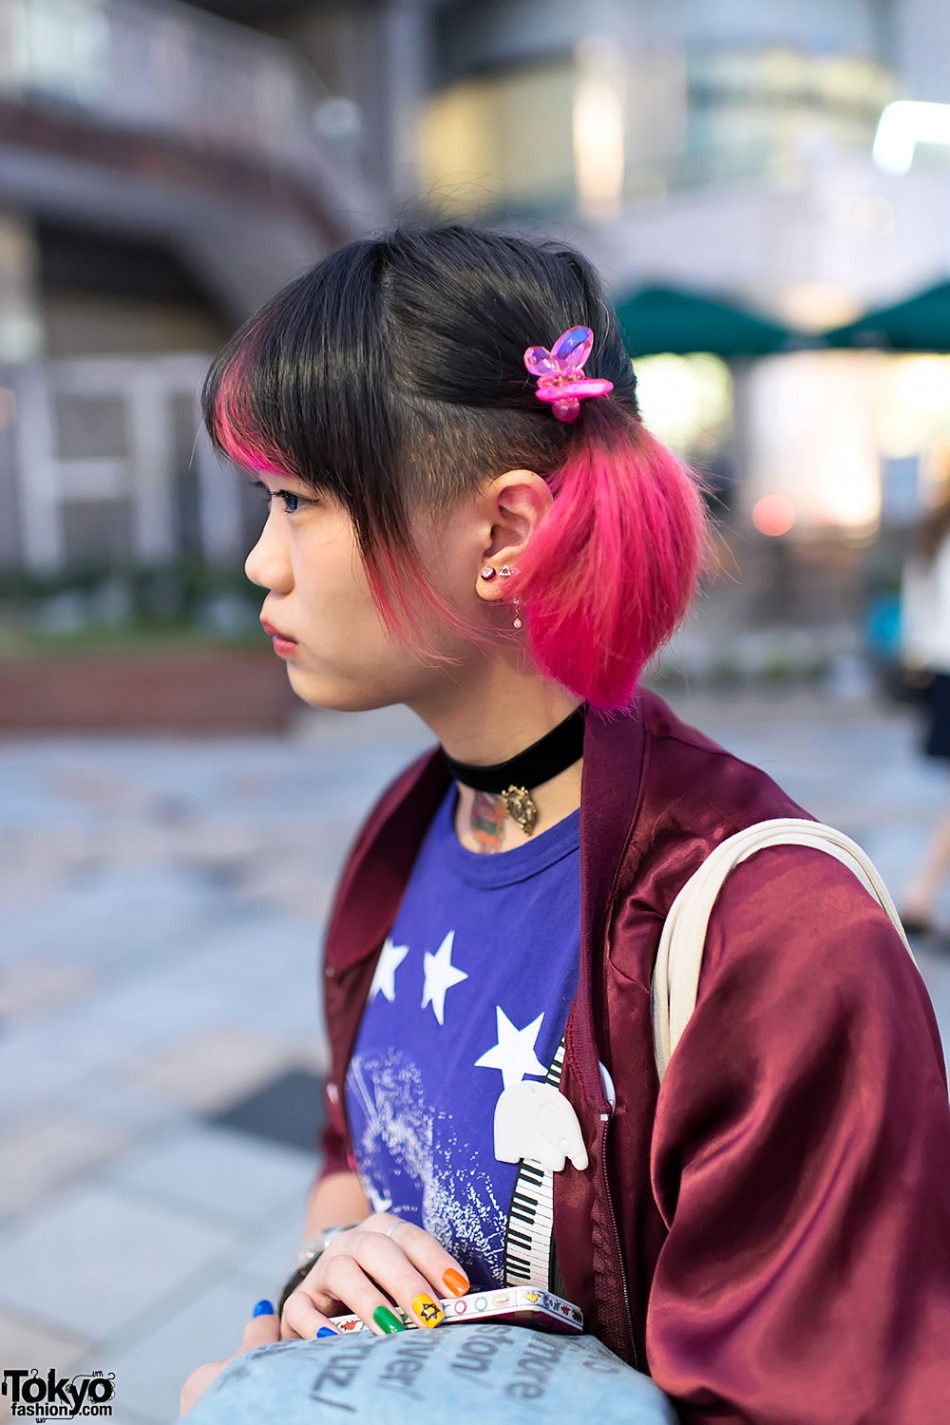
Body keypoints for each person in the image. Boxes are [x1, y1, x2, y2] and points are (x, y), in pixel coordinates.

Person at [181, 225, 950, 1423]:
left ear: (502, 532)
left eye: (297, 501)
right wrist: (316, 1288)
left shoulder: (775, 935)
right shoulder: (407, 830)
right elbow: (356, 1157)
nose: (258, 562)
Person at [900, 487, 950, 936]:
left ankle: (921, 893)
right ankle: (919, 892)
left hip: (940, 674)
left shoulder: (933, 532)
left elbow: (916, 615)